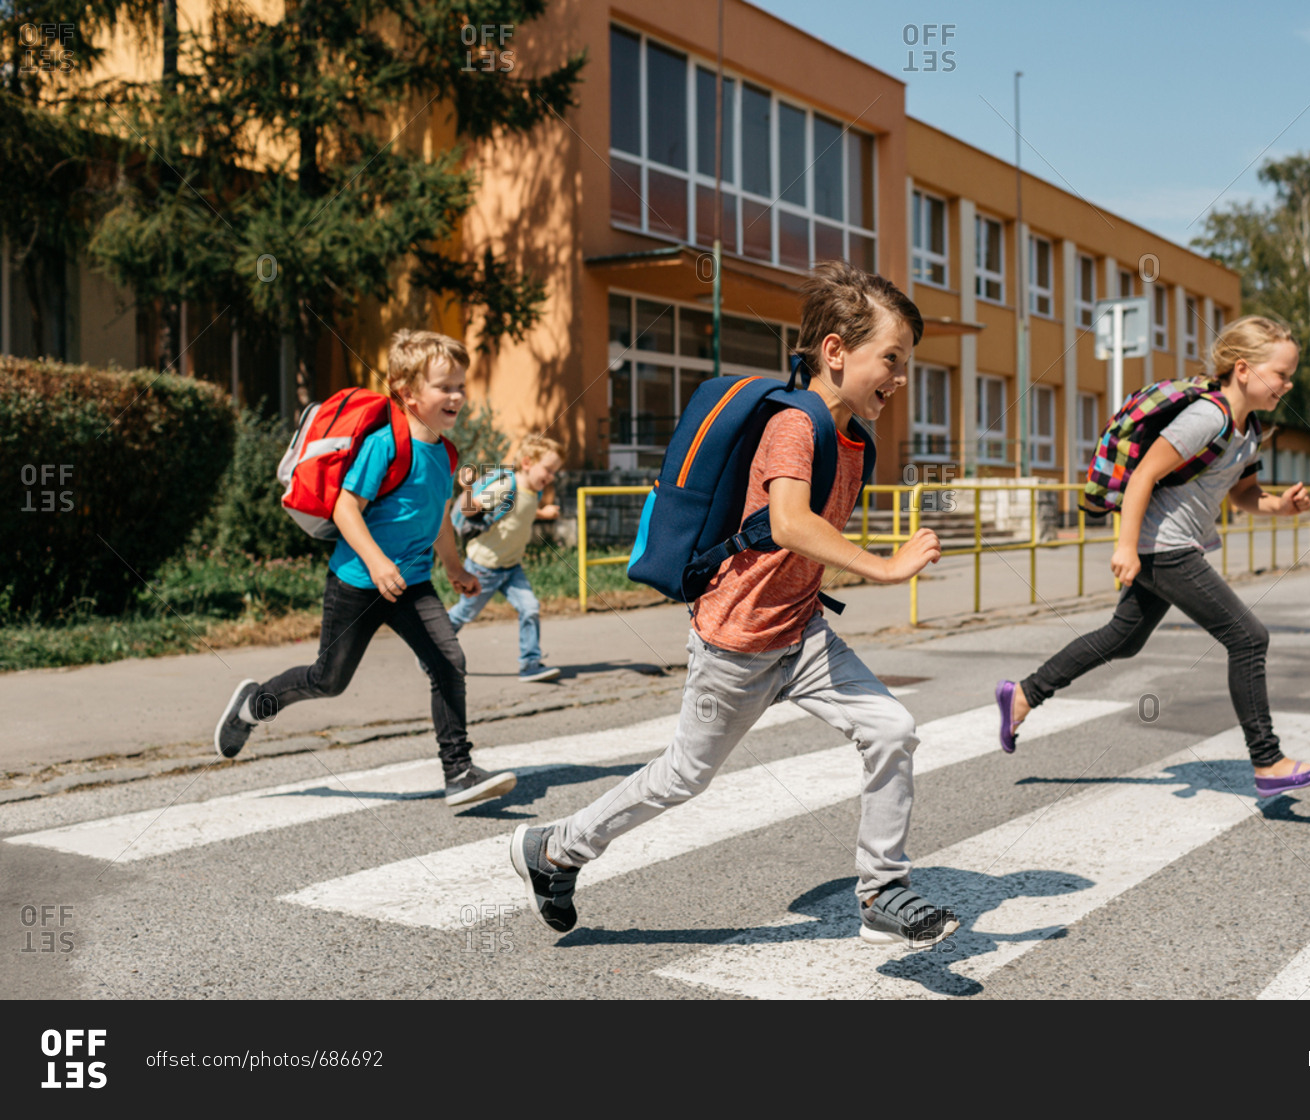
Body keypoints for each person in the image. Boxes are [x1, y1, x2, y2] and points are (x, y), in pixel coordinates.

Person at [509, 261, 960, 949]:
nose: (899, 379)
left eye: (905, 364)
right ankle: (556, 848)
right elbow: (788, 522)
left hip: (802, 633)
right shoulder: (794, 425)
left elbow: (802, 542)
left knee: (893, 730)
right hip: (738, 639)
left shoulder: (852, 441)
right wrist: (886, 567)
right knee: (682, 777)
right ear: (835, 352)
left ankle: (882, 892)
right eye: (891, 360)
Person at [997, 315, 1310, 800]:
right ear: (1243, 369)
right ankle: (1269, 761)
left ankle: (1024, 693)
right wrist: (1126, 546)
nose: (1287, 383)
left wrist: (1283, 506)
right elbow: (1143, 475)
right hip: (1162, 546)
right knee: (1248, 638)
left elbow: (1244, 495)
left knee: (1123, 638)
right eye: (1280, 373)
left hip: (1170, 545)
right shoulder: (1206, 417)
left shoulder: (1249, 429)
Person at [214, 330, 517, 809]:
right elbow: (345, 509)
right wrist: (376, 563)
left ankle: (458, 771)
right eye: (444, 386)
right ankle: (255, 703)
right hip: (357, 580)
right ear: (406, 390)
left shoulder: (447, 452)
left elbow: (438, 516)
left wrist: (454, 566)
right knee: (328, 680)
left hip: (412, 583)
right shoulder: (385, 444)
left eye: (461, 385)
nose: (457, 395)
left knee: (448, 663)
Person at [447, 433, 565, 682]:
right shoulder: (505, 486)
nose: (552, 476)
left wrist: (543, 513)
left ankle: (530, 664)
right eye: (549, 469)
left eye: (555, 472)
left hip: (511, 567)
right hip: (483, 567)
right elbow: (471, 509)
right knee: (462, 615)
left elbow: (523, 513)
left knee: (530, 607)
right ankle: (431, 648)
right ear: (527, 463)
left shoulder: (534, 491)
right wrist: (468, 488)